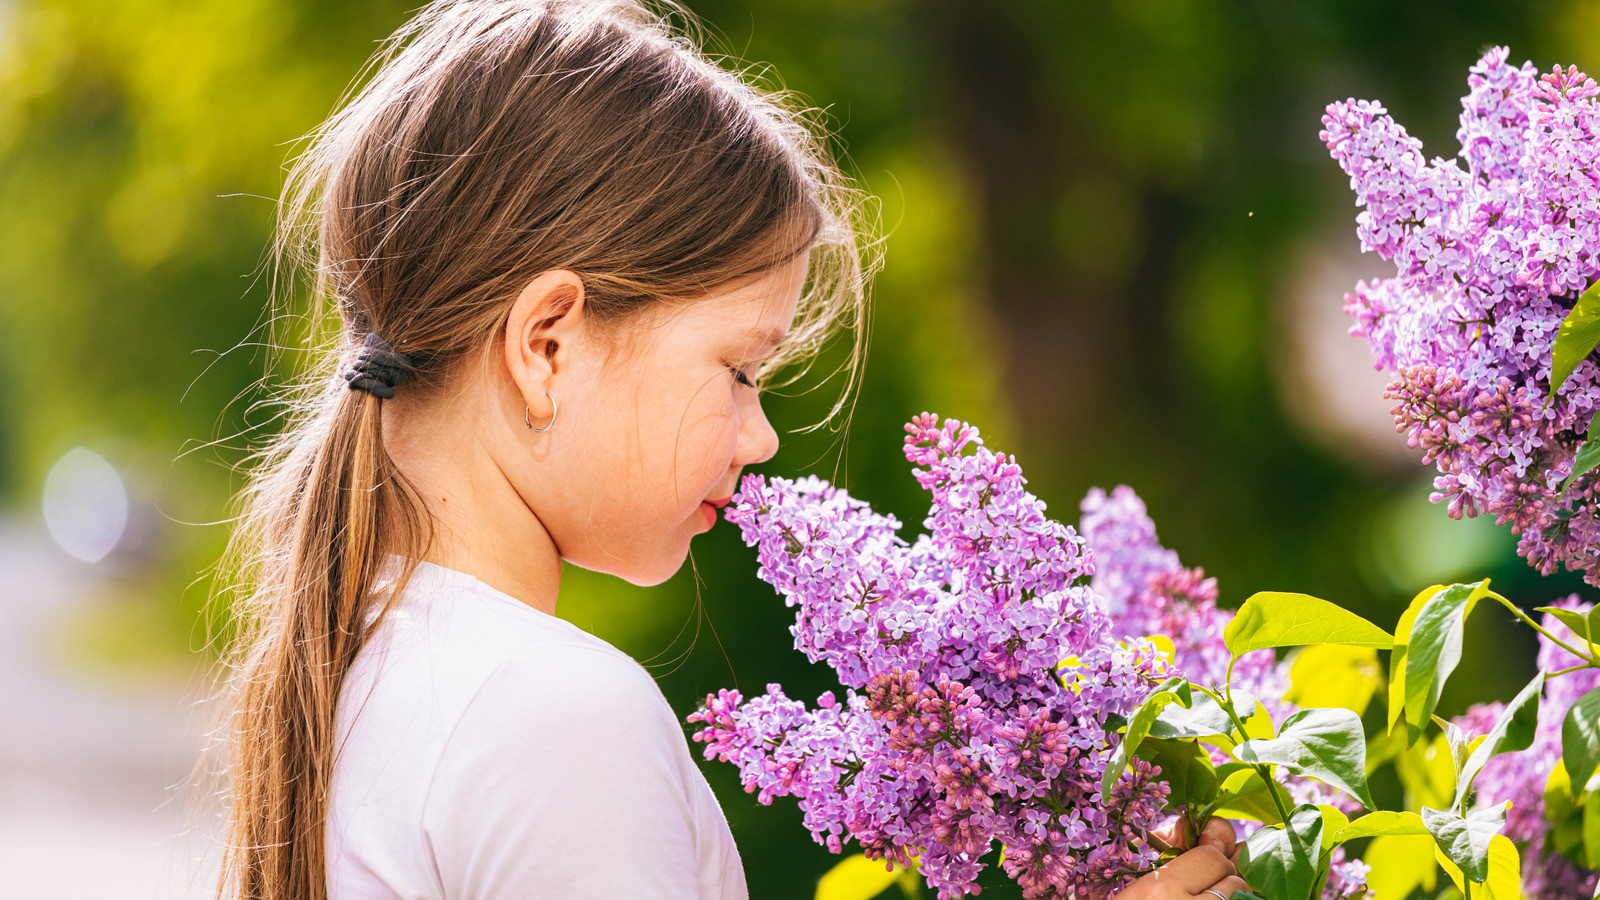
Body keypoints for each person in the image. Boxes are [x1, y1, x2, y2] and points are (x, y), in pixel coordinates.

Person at [210, 1, 1254, 898]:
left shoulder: (375, 665)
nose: (761, 436)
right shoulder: (548, 712)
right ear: (547, 344)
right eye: (739, 369)